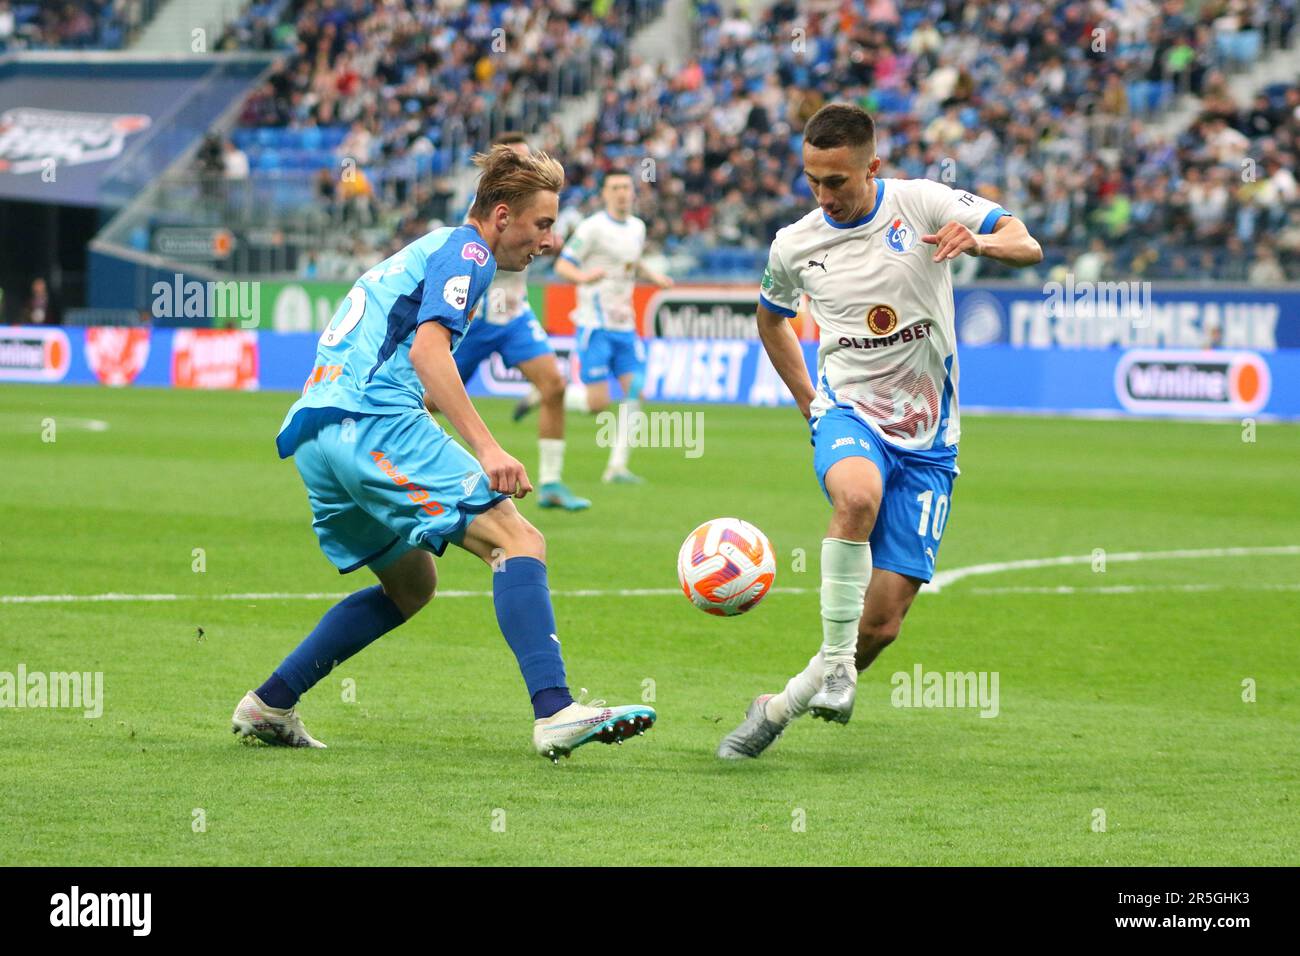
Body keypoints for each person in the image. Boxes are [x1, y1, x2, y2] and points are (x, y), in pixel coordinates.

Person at [231, 145, 655, 761]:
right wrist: (487, 449)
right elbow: (430, 353)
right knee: (519, 541)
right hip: (372, 420)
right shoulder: (471, 253)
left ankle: (269, 704)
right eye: (542, 224)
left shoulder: (436, 247)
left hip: (317, 434)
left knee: (411, 587)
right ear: (502, 215)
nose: (548, 241)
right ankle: (556, 711)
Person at [718, 103, 1042, 758]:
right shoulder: (795, 243)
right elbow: (771, 319)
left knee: (882, 626)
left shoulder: (922, 203)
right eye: (812, 180)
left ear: (874, 165)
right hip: (849, 414)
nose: (823, 194)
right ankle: (835, 670)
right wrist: (810, 401)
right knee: (857, 499)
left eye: (837, 180)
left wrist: (979, 242)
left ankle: (779, 705)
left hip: (929, 441)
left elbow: (1026, 242)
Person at [450, 133, 589, 511]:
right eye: (518, 162)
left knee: (555, 386)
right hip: (476, 317)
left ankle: (553, 484)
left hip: (514, 316)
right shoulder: (482, 212)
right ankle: (388, 462)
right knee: (429, 398)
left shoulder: (532, 206)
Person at [523, 171, 673, 484]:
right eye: (615, 188)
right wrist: (583, 278)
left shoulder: (637, 227)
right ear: (604, 193)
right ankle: (548, 394)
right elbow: (563, 265)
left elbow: (630, 263)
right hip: (595, 325)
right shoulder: (592, 228)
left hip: (625, 325)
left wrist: (653, 276)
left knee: (636, 390)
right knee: (597, 404)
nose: (621, 193)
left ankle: (616, 467)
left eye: (626, 188)